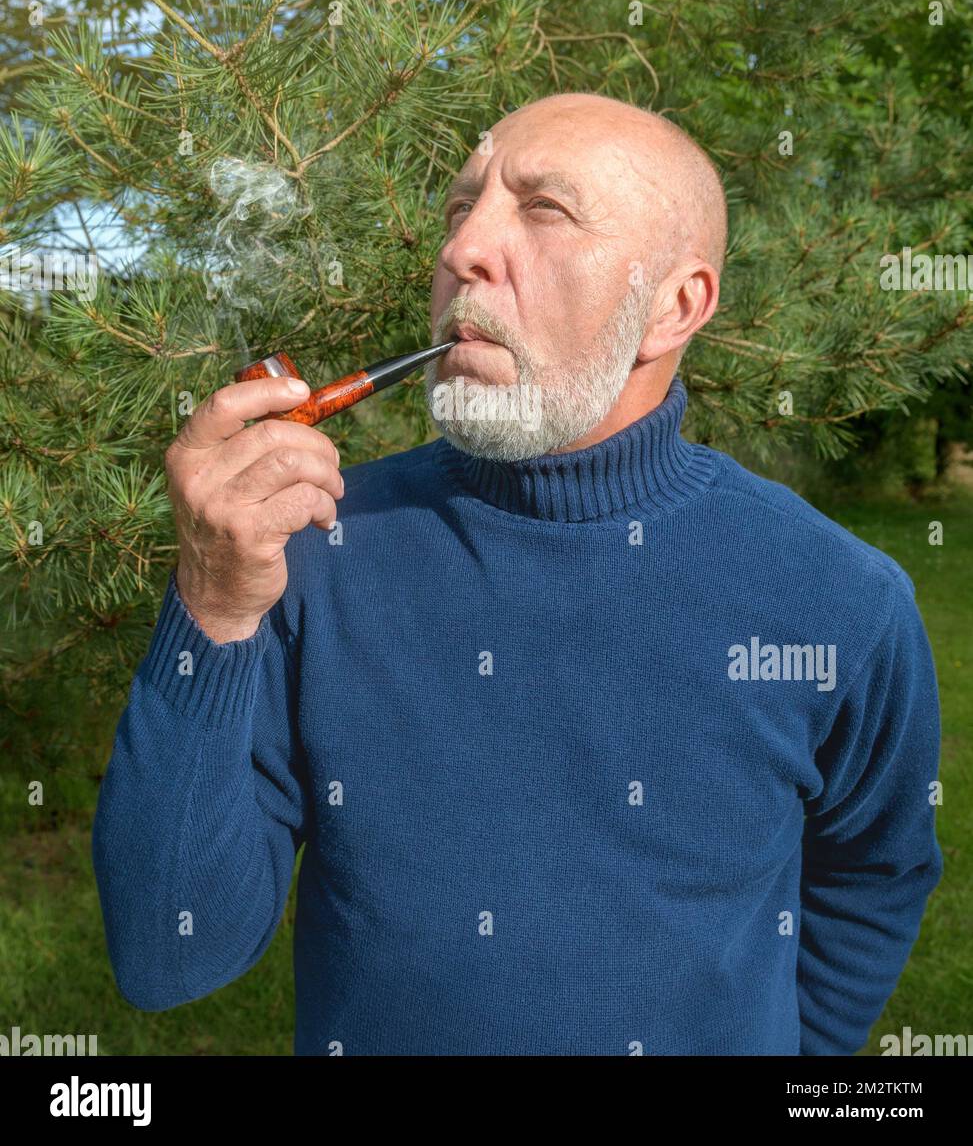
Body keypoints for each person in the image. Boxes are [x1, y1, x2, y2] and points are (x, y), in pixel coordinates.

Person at [92, 92, 943, 1056]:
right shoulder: (313, 551)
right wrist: (208, 608)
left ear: (674, 306)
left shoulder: (836, 599)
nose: (464, 249)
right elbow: (168, 956)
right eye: (462, 208)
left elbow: (872, 874)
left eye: (544, 210)